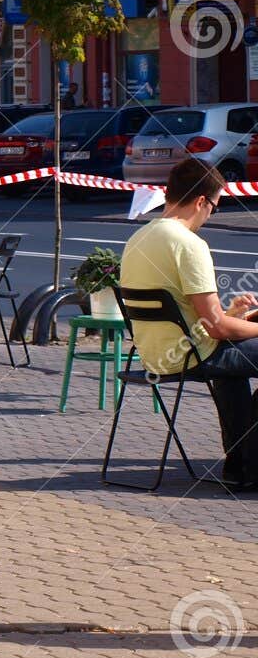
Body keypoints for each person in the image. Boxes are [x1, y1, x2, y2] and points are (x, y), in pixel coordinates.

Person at [120, 157, 258, 489]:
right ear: (200, 201)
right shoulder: (188, 244)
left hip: (155, 354)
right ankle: (248, 462)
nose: (211, 214)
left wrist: (233, 314)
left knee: (231, 372)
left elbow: (202, 320)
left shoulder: (138, 239)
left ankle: (242, 465)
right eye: (214, 207)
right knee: (229, 357)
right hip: (192, 354)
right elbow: (217, 330)